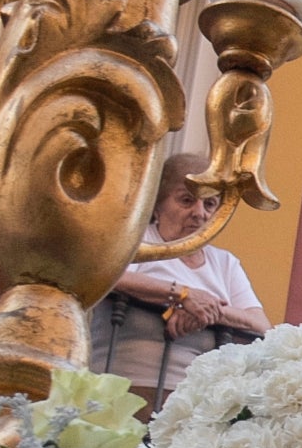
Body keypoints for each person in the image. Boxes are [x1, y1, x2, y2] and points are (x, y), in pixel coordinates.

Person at [89, 150, 270, 400]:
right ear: (158, 203)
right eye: (186, 200)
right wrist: (181, 295)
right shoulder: (136, 243)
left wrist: (204, 310)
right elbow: (108, 275)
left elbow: (260, 324)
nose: (200, 213)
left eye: (209, 204)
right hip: (117, 397)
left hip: (191, 409)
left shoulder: (224, 263)